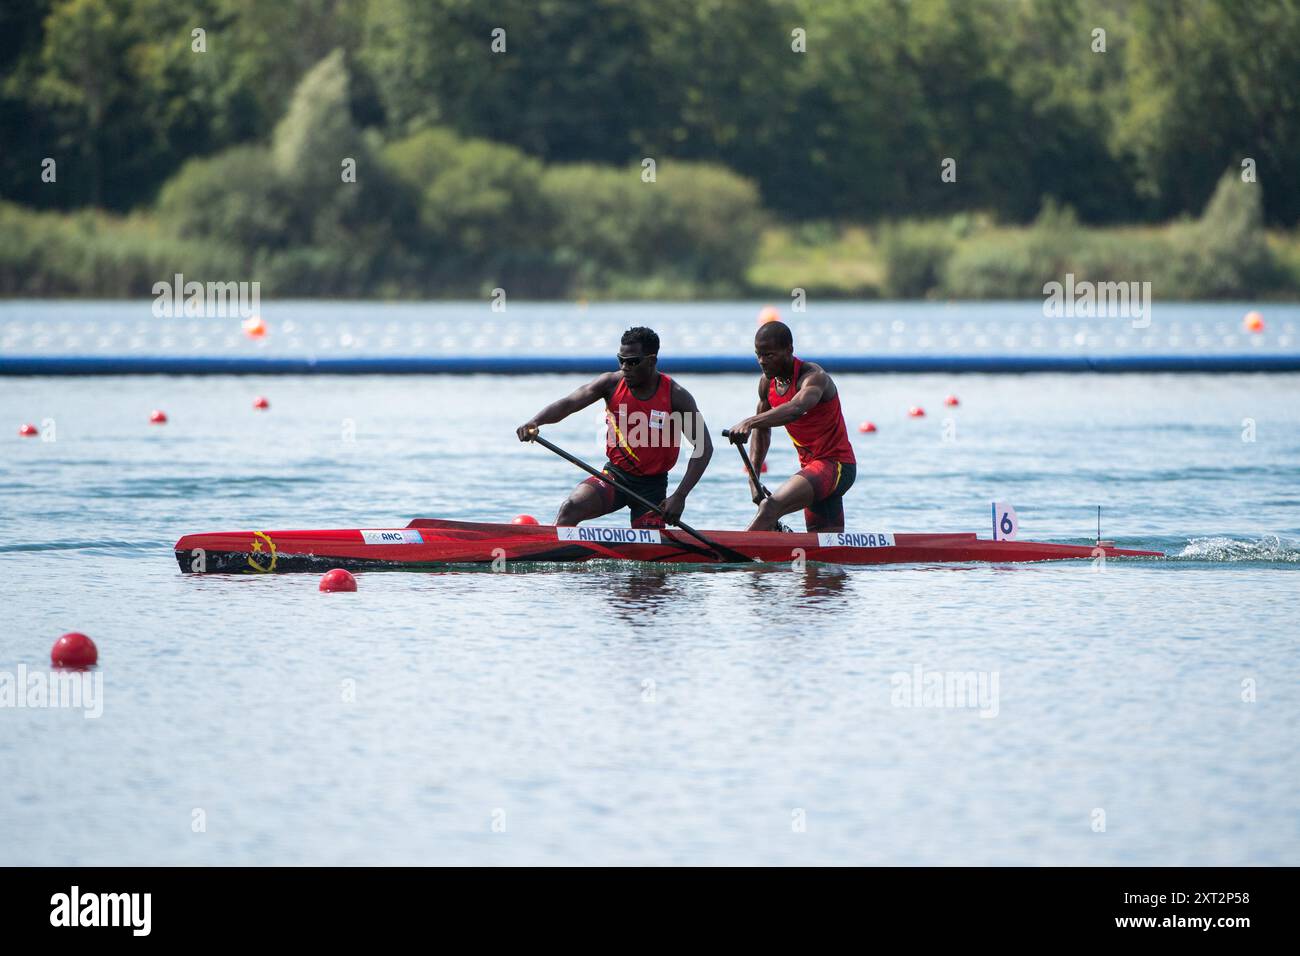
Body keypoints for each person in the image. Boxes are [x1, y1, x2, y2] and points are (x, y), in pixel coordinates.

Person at [516, 327, 713, 527]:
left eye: (633, 361)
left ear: (652, 361)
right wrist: (536, 421)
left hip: (653, 488)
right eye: (621, 360)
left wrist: (679, 496)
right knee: (570, 508)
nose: (625, 367)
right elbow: (569, 403)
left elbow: (704, 447)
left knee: (646, 555)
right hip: (615, 477)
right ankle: (552, 550)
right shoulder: (610, 383)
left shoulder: (677, 396)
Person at [726, 321, 856, 532]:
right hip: (813, 470)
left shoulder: (813, 377)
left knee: (770, 507)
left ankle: (729, 561)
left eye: (769, 355)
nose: (762, 361)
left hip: (836, 465)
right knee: (825, 550)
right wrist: (753, 477)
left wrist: (749, 421)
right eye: (758, 354)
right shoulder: (767, 384)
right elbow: (763, 430)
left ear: (789, 350)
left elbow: (796, 408)